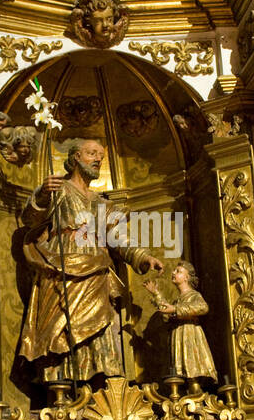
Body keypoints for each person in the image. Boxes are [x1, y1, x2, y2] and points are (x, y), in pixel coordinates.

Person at [18, 139, 163, 384]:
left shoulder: (102, 203)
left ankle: (100, 385)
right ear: (75, 157)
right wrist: (42, 195)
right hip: (63, 267)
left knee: (102, 323)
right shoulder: (58, 189)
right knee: (62, 325)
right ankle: (62, 387)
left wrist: (142, 256)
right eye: (91, 153)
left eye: (101, 156)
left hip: (96, 269)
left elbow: (119, 237)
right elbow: (30, 219)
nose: (98, 159)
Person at [146, 261, 218, 385]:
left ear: (187, 277)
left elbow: (203, 307)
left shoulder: (194, 295)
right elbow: (167, 312)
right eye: (174, 270)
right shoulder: (178, 300)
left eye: (178, 271)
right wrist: (156, 293)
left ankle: (196, 395)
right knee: (182, 376)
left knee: (193, 373)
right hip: (179, 336)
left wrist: (175, 309)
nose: (173, 272)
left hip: (190, 334)